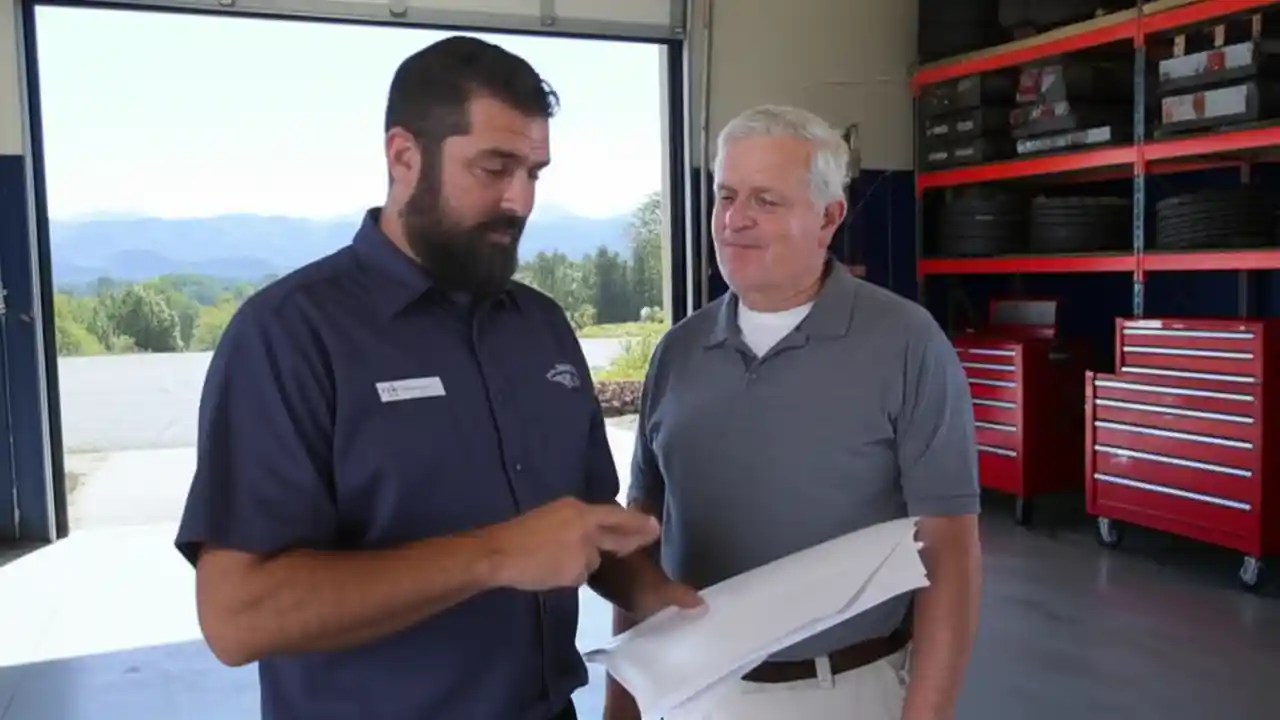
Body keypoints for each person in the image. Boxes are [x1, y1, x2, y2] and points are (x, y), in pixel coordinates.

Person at [174, 35, 699, 720]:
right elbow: (238, 616)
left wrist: (665, 601)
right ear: (403, 156)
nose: (520, 200)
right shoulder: (291, 335)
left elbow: (581, 538)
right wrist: (495, 556)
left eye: (535, 173)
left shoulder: (539, 327)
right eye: (494, 167)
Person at [605, 105, 983, 720]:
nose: (734, 220)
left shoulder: (907, 343)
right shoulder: (679, 351)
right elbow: (639, 533)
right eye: (725, 196)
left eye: (765, 201)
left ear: (829, 217)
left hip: (844, 692)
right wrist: (623, 706)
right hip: (689, 689)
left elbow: (949, 551)